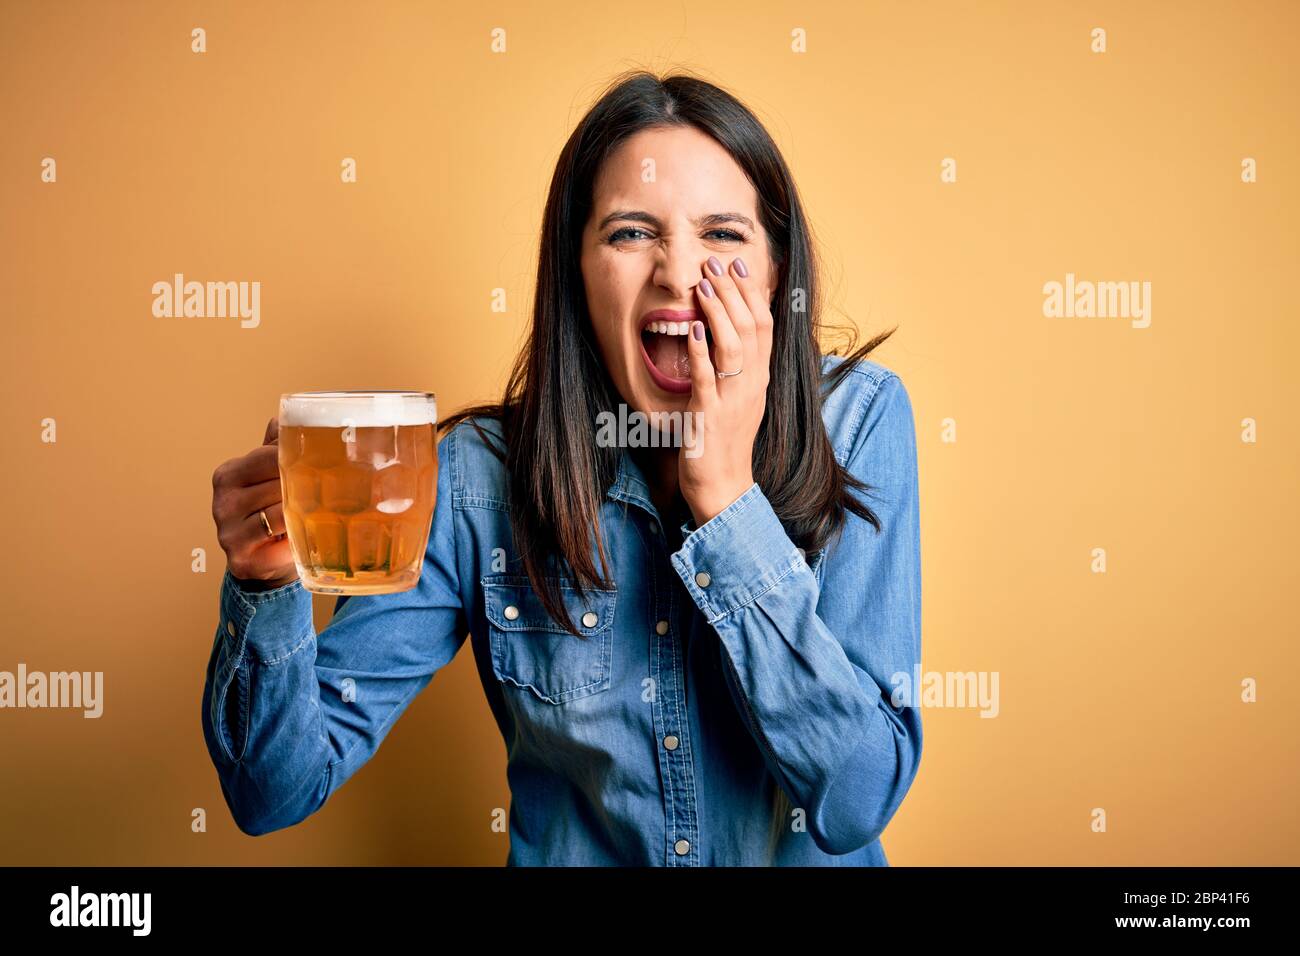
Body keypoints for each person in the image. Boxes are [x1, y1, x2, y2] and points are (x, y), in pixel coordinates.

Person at [203, 70, 922, 865]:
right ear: (577, 276)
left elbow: (858, 796)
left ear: (778, 273)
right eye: (629, 233)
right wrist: (265, 589)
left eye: (723, 236)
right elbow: (271, 793)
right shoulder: (477, 481)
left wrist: (726, 503)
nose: (680, 273)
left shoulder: (856, 422)